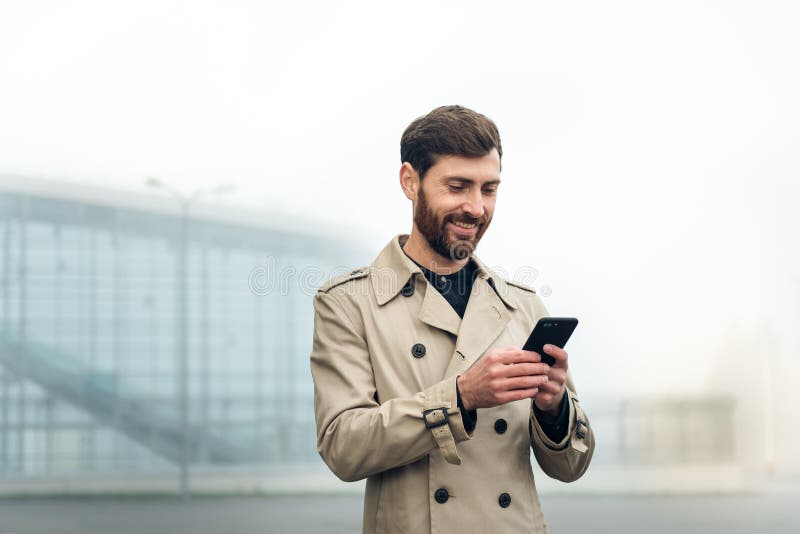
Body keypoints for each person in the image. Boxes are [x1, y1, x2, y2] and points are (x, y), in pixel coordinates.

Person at [310, 105, 594, 533]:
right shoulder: (348, 303)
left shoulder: (524, 306)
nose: (476, 208)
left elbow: (570, 467)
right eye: (458, 186)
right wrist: (461, 396)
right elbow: (343, 449)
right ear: (410, 181)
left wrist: (552, 408)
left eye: (489, 189)